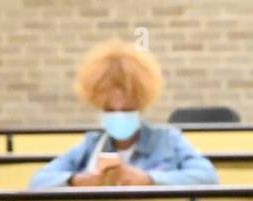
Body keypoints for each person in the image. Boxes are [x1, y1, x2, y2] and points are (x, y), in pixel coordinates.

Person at [27, 40, 217, 189]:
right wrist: (77, 180)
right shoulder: (91, 145)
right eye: (109, 110)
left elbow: (208, 177)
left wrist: (149, 179)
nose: (118, 116)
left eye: (127, 110)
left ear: (140, 106)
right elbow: (37, 182)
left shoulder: (168, 140)